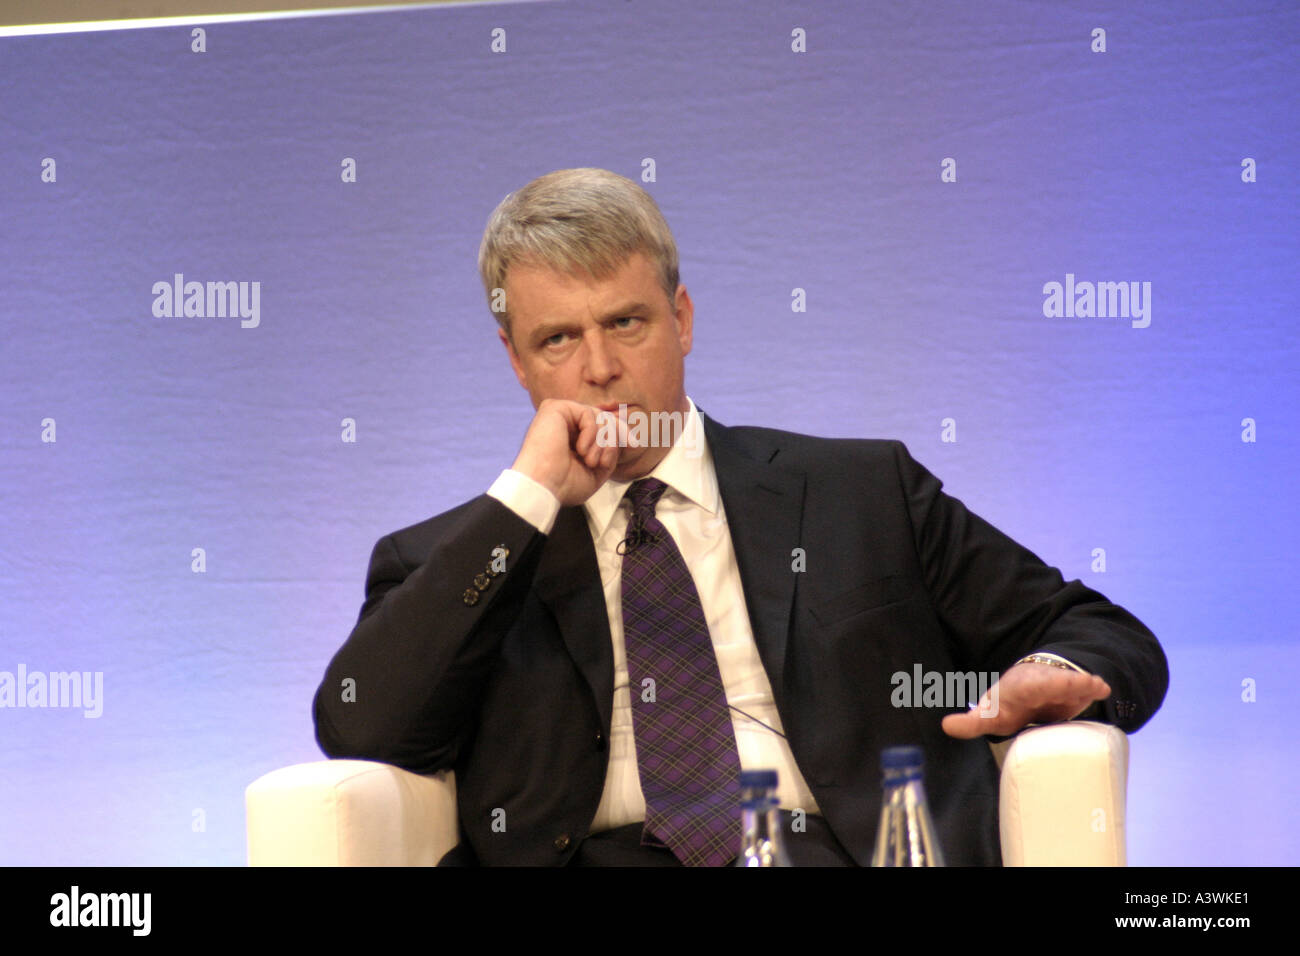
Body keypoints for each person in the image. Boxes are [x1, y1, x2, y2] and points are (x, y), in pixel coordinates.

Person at [312, 167, 1168, 866]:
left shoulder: (859, 490)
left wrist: (1053, 668)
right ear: (514, 360)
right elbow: (357, 724)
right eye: (558, 341)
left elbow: (1095, 628)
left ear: (681, 321)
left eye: (626, 322)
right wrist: (526, 502)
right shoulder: (466, 553)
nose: (601, 367)